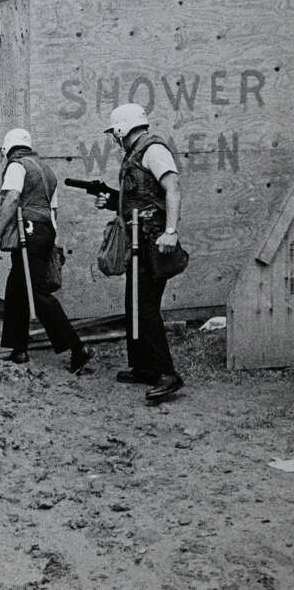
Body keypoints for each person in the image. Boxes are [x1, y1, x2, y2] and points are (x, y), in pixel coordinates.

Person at [97, 104, 184, 401]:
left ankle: (167, 374)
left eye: (114, 132)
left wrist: (170, 232)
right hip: (139, 239)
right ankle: (143, 367)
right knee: (134, 304)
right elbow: (140, 197)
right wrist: (111, 201)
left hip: (152, 240)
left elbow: (172, 187)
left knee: (145, 307)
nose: (114, 138)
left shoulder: (153, 150)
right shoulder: (137, 154)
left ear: (122, 128)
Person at [0, 128, 94, 374]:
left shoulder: (17, 167)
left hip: (27, 231)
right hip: (44, 230)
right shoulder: (46, 170)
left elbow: (12, 199)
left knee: (37, 292)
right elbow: (53, 210)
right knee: (16, 288)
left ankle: (77, 348)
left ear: (9, 149)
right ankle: (19, 348)